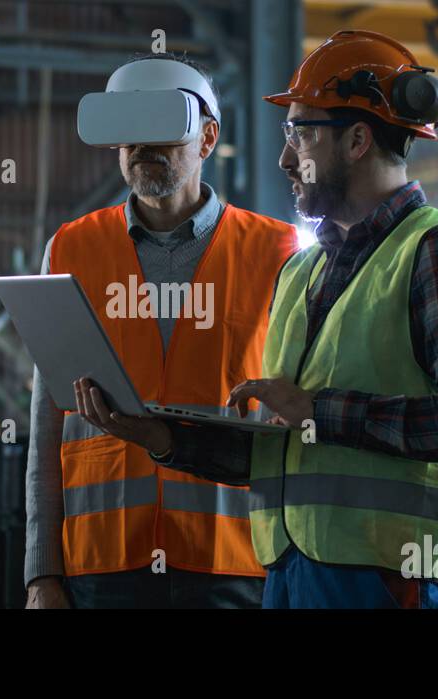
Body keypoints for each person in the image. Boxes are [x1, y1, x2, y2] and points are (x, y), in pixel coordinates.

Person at [72, 30, 438, 609]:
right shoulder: (303, 271)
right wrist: (162, 440)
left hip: (403, 582)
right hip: (295, 577)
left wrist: (318, 410)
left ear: (357, 140)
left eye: (300, 134)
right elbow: (285, 455)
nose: (286, 158)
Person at [24, 53, 297, 609]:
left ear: (207, 138)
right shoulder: (70, 248)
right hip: (102, 565)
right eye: (128, 128)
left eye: (161, 124)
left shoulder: (279, 252)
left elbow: (295, 419)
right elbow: (46, 426)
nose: (142, 145)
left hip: (235, 562)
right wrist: (41, 573)